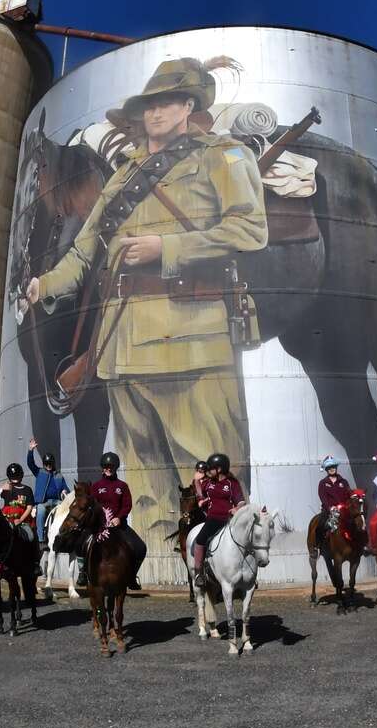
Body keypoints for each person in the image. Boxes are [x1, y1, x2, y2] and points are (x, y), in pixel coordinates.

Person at [22, 57, 268, 551]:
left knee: (210, 481)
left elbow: (249, 228)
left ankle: (221, 584)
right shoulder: (122, 178)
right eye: (150, 103)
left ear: (189, 106)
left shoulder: (223, 155)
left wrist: (167, 248)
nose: (157, 112)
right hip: (124, 349)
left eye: (169, 101)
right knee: (147, 490)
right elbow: (84, 251)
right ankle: (158, 571)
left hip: (193, 343)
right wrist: (45, 285)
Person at [191, 453, 246, 586]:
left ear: (219, 469)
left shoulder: (232, 483)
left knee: (246, 540)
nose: (208, 471)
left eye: (211, 468)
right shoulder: (209, 482)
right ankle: (199, 573)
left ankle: (248, 574)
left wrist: (236, 509)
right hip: (212, 519)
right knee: (200, 540)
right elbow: (199, 493)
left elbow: (241, 501)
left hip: (228, 520)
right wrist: (197, 481)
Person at [93, 452, 145, 589]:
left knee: (140, 547)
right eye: (106, 466)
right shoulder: (96, 486)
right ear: (102, 468)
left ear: (115, 467)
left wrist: (119, 518)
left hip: (119, 526)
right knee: (82, 544)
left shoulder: (122, 486)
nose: (108, 469)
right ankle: (83, 573)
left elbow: (127, 505)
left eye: (111, 466)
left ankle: (132, 577)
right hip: (100, 528)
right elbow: (93, 506)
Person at [24, 438, 68, 546]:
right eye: (46, 463)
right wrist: (30, 450)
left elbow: (65, 488)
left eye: (50, 463)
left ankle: (64, 536)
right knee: (41, 512)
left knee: (66, 513)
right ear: (44, 464)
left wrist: (65, 491)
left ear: (53, 464)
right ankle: (41, 539)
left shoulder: (59, 475)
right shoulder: (39, 472)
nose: (48, 465)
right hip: (44, 502)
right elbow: (30, 463)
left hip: (57, 501)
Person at [316, 456, 352, 535]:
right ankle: (318, 545)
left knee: (355, 523)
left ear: (336, 467)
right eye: (329, 467)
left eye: (333, 467)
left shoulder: (344, 482)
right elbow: (323, 497)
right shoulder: (323, 483)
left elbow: (349, 495)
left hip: (343, 509)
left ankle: (361, 545)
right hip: (329, 510)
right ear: (326, 469)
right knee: (320, 524)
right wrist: (330, 507)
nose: (331, 469)